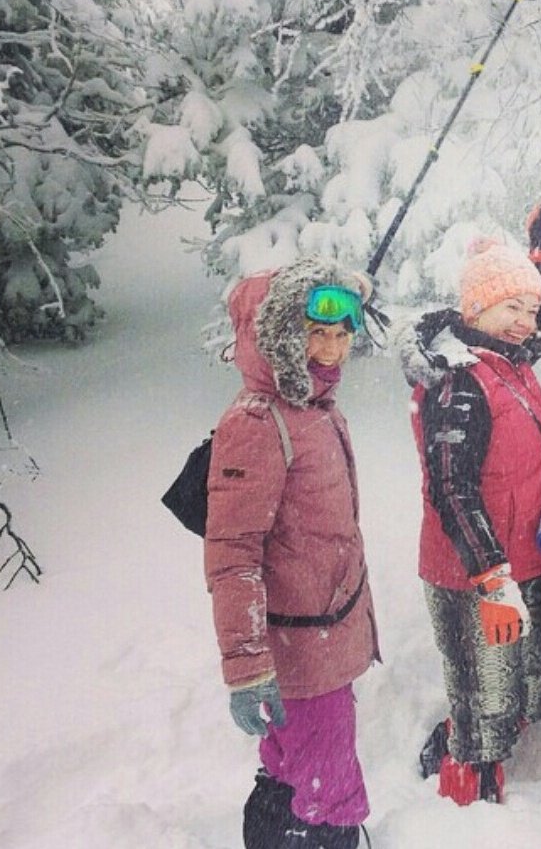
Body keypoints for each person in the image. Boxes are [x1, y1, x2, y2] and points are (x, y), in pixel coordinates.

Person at [204, 257, 379, 849]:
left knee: (291, 765)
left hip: (319, 637)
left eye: (341, 334)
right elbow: (232, 554)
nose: (331, 350)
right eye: (315, 334)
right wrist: (248, 665)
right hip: (298, 651)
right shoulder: (260, 422)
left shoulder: (311, 406)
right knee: (327, 787)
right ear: (280, 336)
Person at [399, 200, 541, 805]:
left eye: (530, 309)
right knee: (486, 697)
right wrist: (492, 580)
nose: (526, 322)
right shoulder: (458, 381)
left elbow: (539, 326)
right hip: (474, 573)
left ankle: (487, 736)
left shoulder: (508, 359)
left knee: (532, 687)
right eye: (510, 307)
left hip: (525, 562)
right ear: (475, 309)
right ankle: (466, 774)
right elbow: (452, 489)